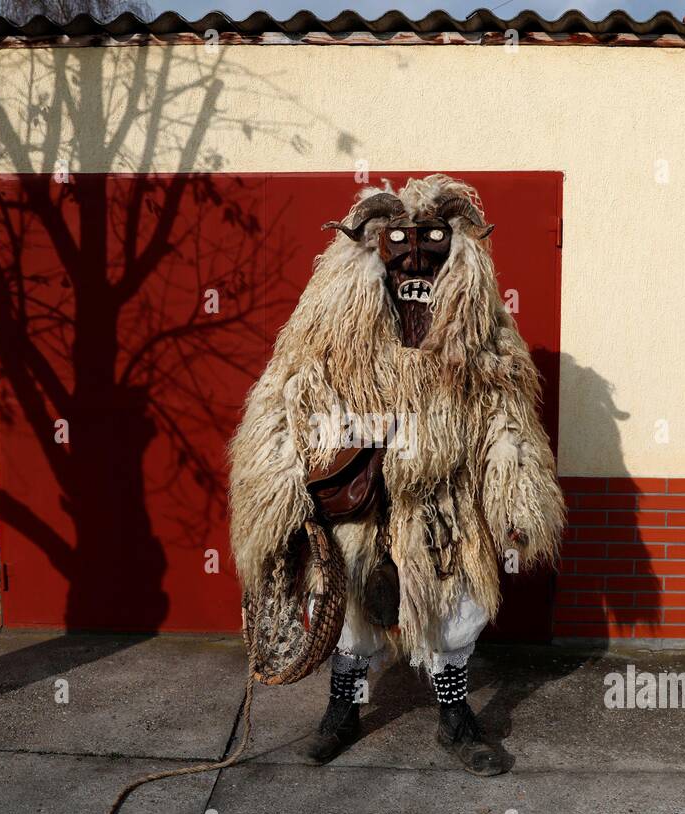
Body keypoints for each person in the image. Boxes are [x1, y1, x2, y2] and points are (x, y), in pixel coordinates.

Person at [228, 174, 563, 776]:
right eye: (398, 248)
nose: (414, 264)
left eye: (431, 249)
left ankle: (456, 720)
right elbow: (282, 404)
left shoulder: (481, 335)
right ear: (370, 254)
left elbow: (506, 417)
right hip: (364, 505)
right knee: (352, 616)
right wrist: (280, 500)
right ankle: (342, 712)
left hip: (446, 508)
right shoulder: (331, 334)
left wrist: (517, 499)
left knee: (457, 613)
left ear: (456, 257)